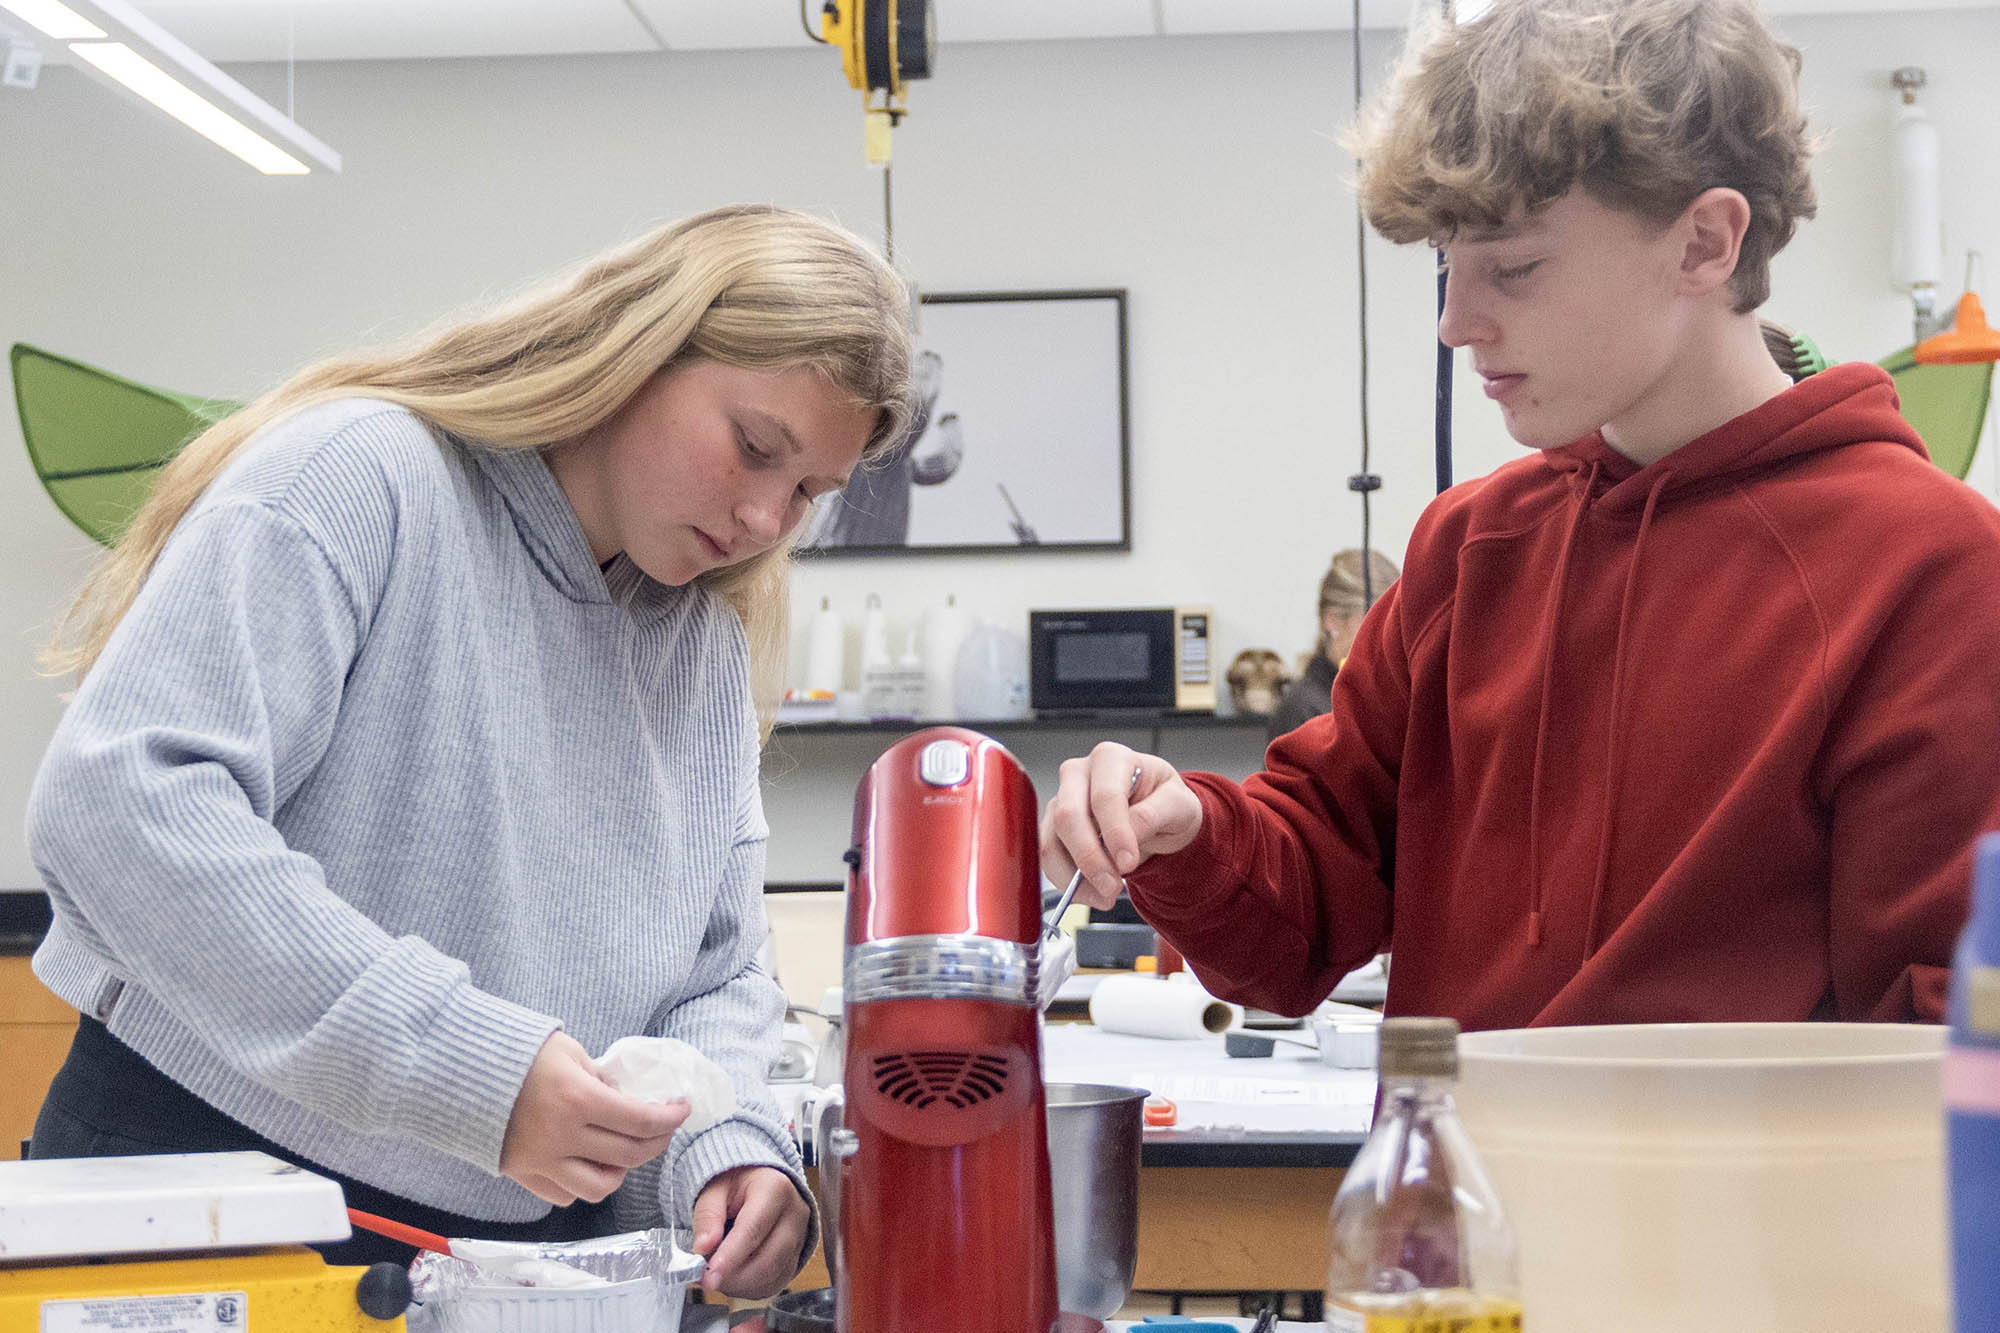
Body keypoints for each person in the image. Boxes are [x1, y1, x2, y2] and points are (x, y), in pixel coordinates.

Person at [1040, 0, 2000, 1032]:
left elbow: (1938, 1041)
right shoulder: (1468, 548)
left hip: (1740, 1194)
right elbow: (1305, 909)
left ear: (1704, 241)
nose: (1455, 321)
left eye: (1514, 266)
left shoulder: (1925, 567)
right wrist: (1186, 831)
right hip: (1451, 1190)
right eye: (1446, 265)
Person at [23, 204, 913, 1300]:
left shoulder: (696, 643)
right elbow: (122, 808)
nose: (764, 517)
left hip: (518, 1260)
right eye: (754, 447)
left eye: (808, 493)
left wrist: (722, 1141)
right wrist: (471, 1073)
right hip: (214, 1198)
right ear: (638, 349)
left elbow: (714, 971)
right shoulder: (361, 474)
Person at [805, 347, 964, 547]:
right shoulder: (868, 454)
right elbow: (943, 461)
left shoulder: (901, 465)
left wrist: (951, 428)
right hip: (847, 546)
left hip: (862, 549)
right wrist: (950, 426)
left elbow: (943, 463)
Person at [1266, 547, 1402, 740]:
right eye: (1374, 622)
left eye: (1395, 623)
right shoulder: (1304, 710)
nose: (1388, 637)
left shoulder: (1373, 701)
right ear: (1332, 620)